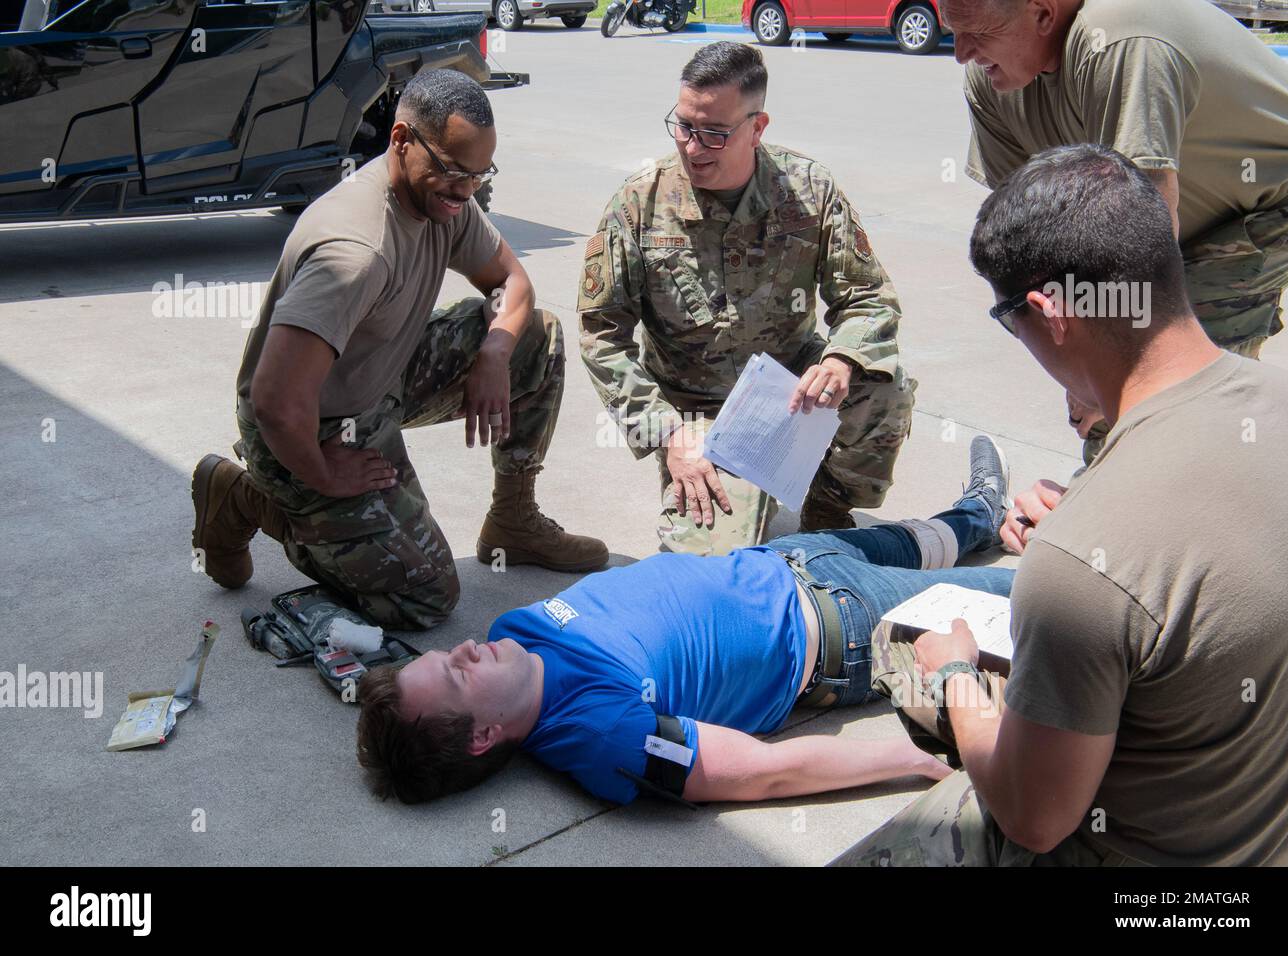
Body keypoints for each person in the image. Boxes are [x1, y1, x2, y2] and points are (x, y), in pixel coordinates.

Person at [838, 145, 1288, 867]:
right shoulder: (1282, 404)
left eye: (1007, 316)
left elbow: (1035, 819)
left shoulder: (1081, 565)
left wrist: (956, 676)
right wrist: (1098, 563)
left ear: (1049, 313)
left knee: (920, 661)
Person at [354, 437, 1012, 806]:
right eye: (457, 674)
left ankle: (985, 514)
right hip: (843, 622)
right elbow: (759, 770)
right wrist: (907, 761)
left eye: (445, 654)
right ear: (483, 737)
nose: (466, 647)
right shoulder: (603, 734)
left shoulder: (511, 640)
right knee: (1030, 596)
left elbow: (408, 717)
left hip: (788, 557)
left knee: (933, 538)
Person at [191, 69, 607, 630]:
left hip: (383, 371)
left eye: (479, 174)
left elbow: (515, 286)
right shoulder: (355, 253)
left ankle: (514, 519)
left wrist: (494, 355)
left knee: (534, 334)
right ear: (401, 140)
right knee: (426, 597)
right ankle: (248, 496)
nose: (466, 192)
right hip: (312, 426)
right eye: (454, 172)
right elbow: (274, 401)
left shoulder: (444, 200)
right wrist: (324, 475)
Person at [578, 41, 916, 554]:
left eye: (714, 133)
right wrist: (667, 431)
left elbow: (868, 296)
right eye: (684, 126)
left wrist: (843, 358)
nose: (692, 147)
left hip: (788, 395)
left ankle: (827, 507)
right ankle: (717, 489)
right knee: (707, 571)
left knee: (883, 386)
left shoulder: (810, 191)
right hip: (695, 414)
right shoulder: (638, 204)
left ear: (757, 128)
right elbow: (602, 334)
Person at [941, 0, 1288, 460]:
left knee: (1175, 387)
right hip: (1162, 222)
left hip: (1267, 204)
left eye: (978, 33)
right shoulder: (990, 80)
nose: (960, 53)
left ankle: (1200, 486)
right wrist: (1078, 368)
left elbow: (1142, 244)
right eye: (953, 30)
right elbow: (1028, 243)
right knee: (1107, 377)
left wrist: (1103, 376)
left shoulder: (1124, 43)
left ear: (1044, 14)